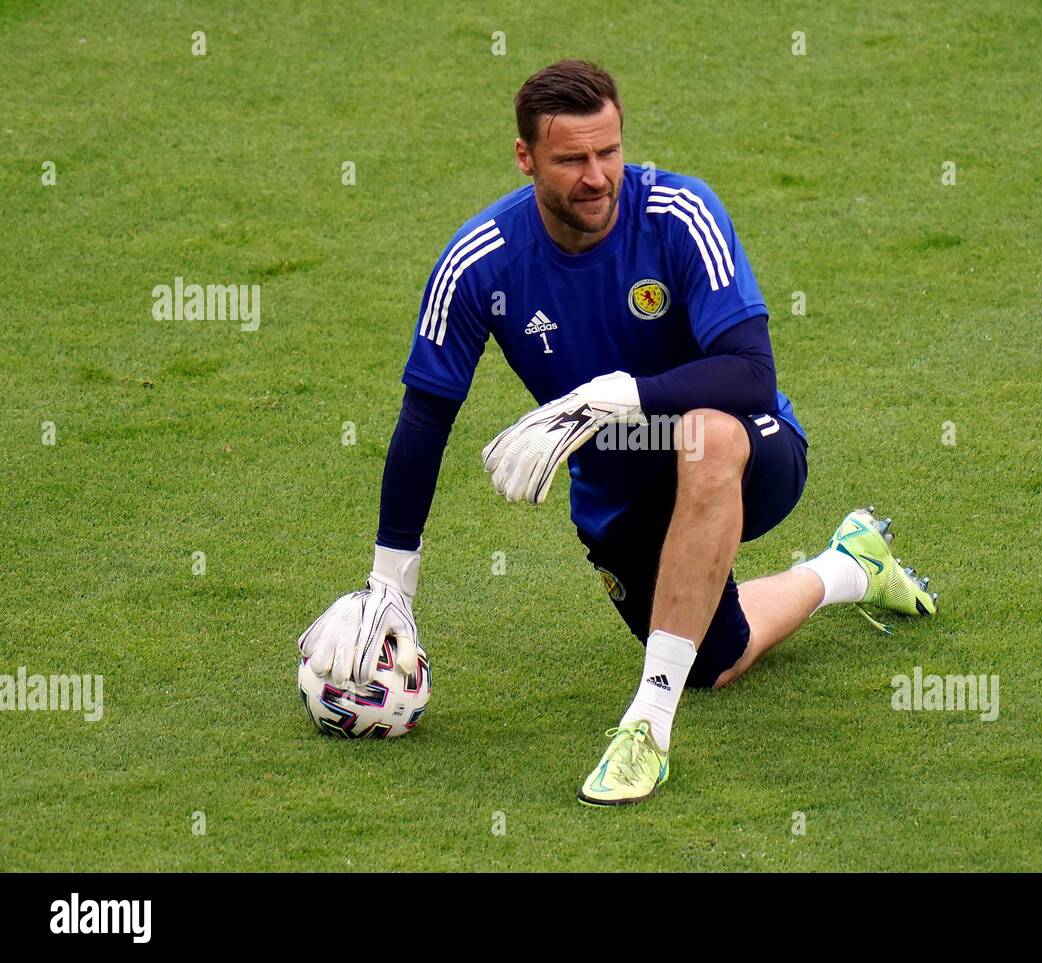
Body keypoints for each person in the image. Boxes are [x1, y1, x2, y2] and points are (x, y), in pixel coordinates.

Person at [298, 59, 937, 806]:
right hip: (620, 497)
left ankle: (647, 729)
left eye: (609, 152)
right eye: (571, 159)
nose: (596, 176)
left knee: (706, 436)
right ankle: (851, 564)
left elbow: (750, 372)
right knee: (714, 660)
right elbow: (425, 415)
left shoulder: (679, 213)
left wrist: (620, 395)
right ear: (525, 157)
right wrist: (389, 580)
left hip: (749, 451)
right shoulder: (479, 262)